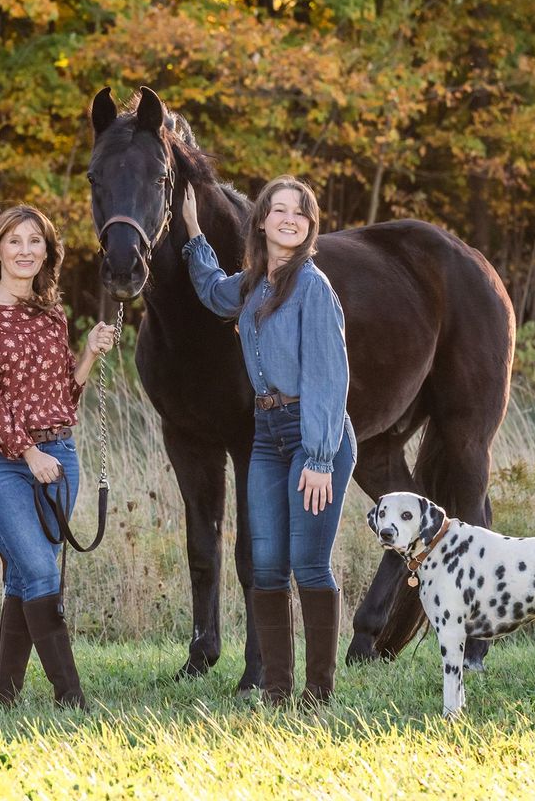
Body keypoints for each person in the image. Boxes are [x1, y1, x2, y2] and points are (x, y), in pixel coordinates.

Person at [0, 205, 117, 708]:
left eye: (35, 241)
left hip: (61, 455)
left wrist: (90, 354)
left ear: (47, 252)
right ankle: (71, 697)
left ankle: (5, 694)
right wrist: (29, 452)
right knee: (39, 570)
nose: (25, 250)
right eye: (15, 241)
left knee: (24, 573)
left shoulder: (49, 314)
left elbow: (63, 396)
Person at [179, 175, 355, 705]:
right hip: (267, 438)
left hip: (313, 436)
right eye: (279, 210)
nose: (289, 219)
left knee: (308, 562)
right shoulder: (255, 282)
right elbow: (213, 291)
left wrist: (320, 458)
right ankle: (278, 689)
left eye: (300, 213)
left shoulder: (312, 287)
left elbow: (329, 378)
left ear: (309, 225)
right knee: (268, 564)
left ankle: (318, 692)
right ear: (261, 221)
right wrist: (192, 232)